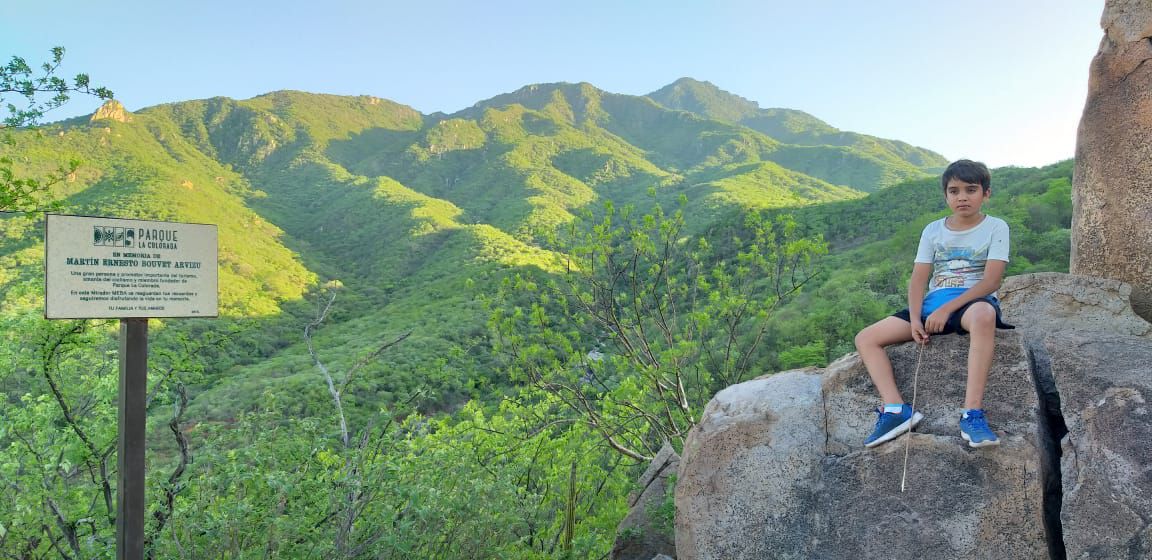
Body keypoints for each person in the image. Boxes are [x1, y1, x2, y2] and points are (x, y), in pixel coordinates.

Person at [854, 159, 1012, 449]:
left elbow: (991, 281)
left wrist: (947, 310)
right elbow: (918, 279)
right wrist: (915, 319)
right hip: (932, 304)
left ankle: (972, 414)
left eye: (971, 189)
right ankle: (895, 409)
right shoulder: (933, 230)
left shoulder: (996, 227)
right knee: (866, 338)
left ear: (986, 193)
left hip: (971, 302)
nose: (962, 197)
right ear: (945, 195)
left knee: (984, 316)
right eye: (954, 191)